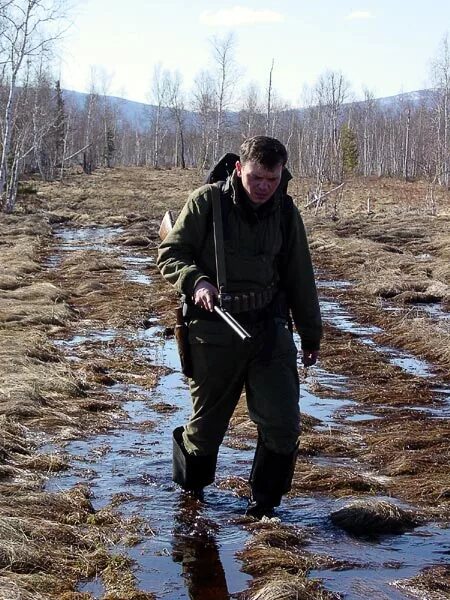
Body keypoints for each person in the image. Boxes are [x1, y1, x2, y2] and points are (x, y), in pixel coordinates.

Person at [157, 136, 322, 518]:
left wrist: (311, 334)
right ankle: (191, 497)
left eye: (272, 178)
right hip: (213, 332)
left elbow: (301, 276)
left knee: (282, 425)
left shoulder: (285, 211)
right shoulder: (206, 202)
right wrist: (196, 281)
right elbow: (170, 253)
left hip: (269, 330)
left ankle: (264, 508)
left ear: (282, 174)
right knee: (205, 430)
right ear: (238, 169)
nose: (264, 186)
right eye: (255, 178)